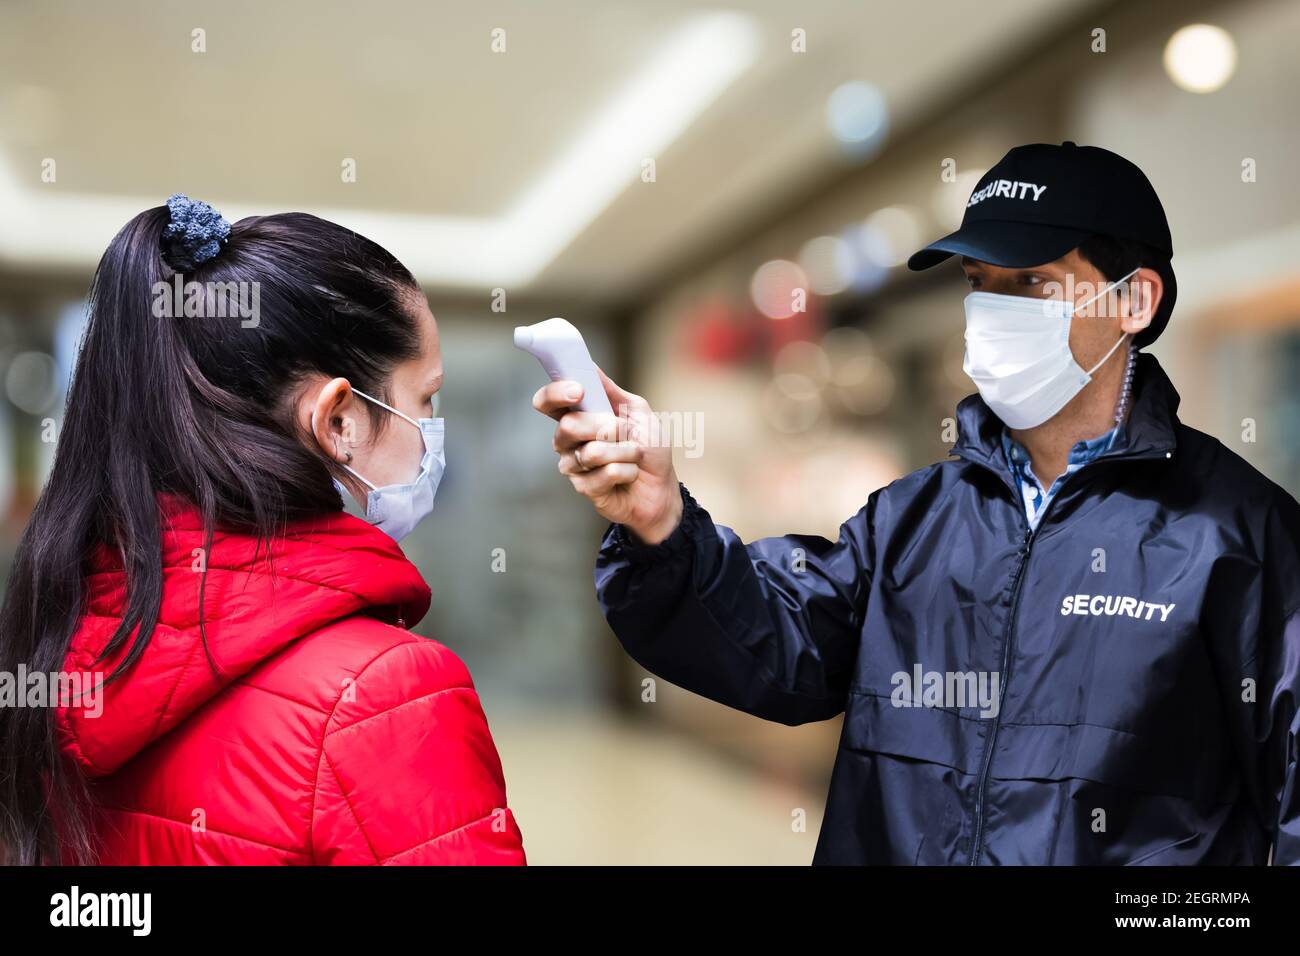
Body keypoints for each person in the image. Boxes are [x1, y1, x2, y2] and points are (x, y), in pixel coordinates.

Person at [532, 143, 1300, 865]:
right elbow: (779, 648)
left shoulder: (1238, 537)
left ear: (1134, 299)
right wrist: (663, 523)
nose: (990, 312)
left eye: (1029, 281)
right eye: (978, 283)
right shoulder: (912, 521)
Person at [0, 195, 525, 865]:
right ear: (339, 419)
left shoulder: (69, 643)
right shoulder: (385, 694)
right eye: (427, 399)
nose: (432, 433)